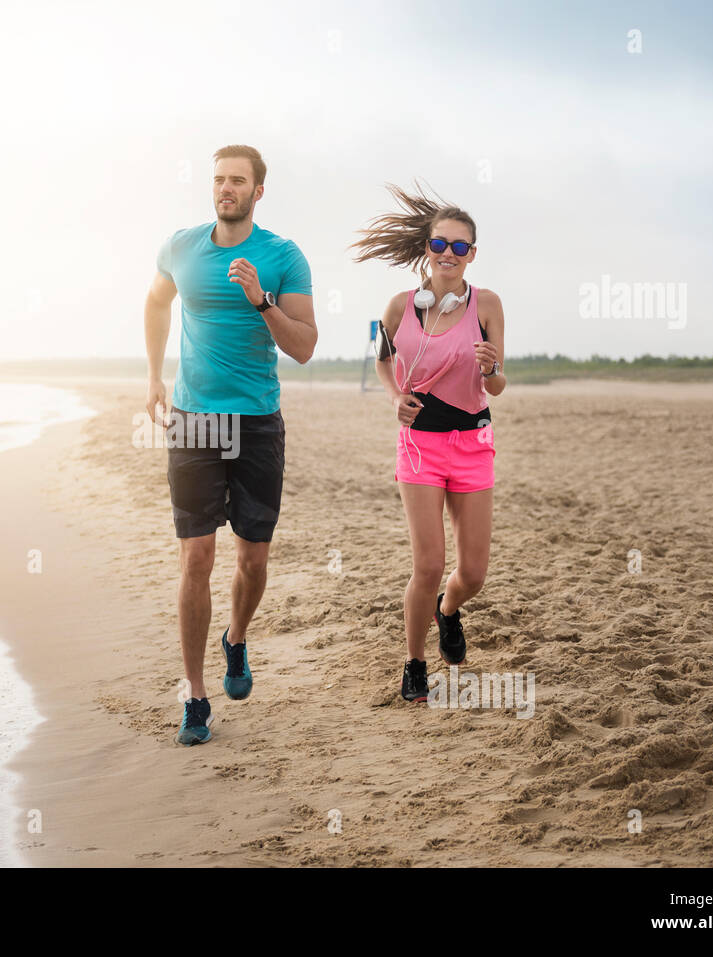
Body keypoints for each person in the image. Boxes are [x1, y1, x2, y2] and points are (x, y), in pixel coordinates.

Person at [144, 144, 317, 744]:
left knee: (253, 560)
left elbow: (304, 347)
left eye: (237, 181)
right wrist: (152, 374)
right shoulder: (181, 248)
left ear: (257, 192)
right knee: (196, 558)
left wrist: (262, 301)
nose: (226, 189)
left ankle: (236, 638)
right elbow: (156, 302)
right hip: (194, 421)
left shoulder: (282, 257)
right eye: (218, 179)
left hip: (257, 423)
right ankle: (195, 697)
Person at [351, 183, 506, 703]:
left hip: (473, 443)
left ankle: (448, 609)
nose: (448, 254)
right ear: (427, 248)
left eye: (460, 247)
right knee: (428, 565)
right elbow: (381, 360)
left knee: (474, 572)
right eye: (440, 244)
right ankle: (414, 663)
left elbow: (499, 383)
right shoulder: (399, 307)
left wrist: (493, 368)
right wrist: (395, 395)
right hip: (419, 446)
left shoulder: (487, 306)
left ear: (472, 255)